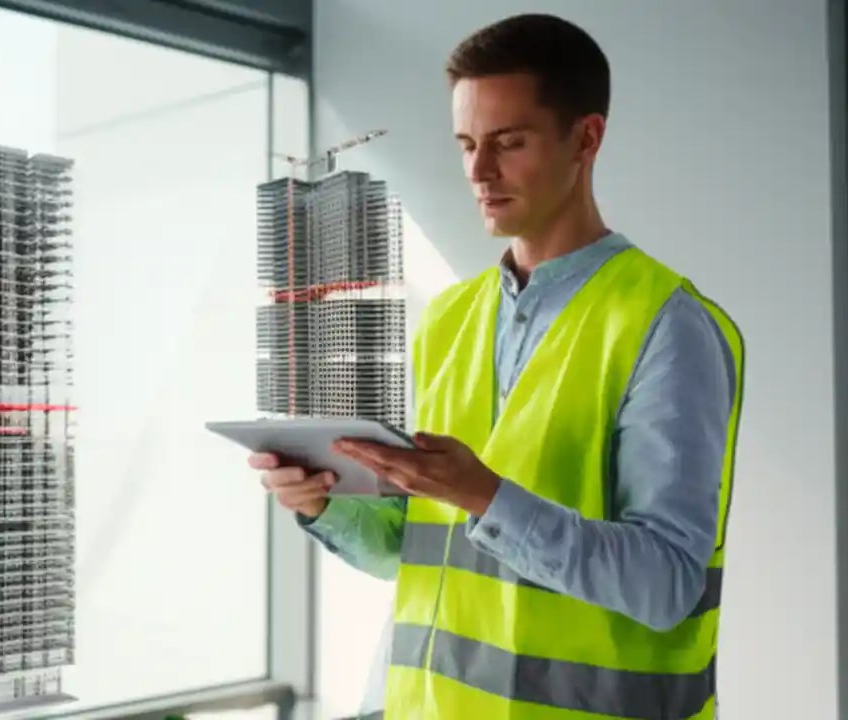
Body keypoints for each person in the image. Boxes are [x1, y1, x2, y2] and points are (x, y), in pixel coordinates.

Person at [251, 13, 743, 720]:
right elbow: (413, 550)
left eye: (509, 143)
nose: (479, 172)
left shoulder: (665, 325)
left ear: (587, 138)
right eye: (467, 145)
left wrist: (487, 496)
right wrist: (324, 503)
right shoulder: (451, 317)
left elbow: (666, 584)